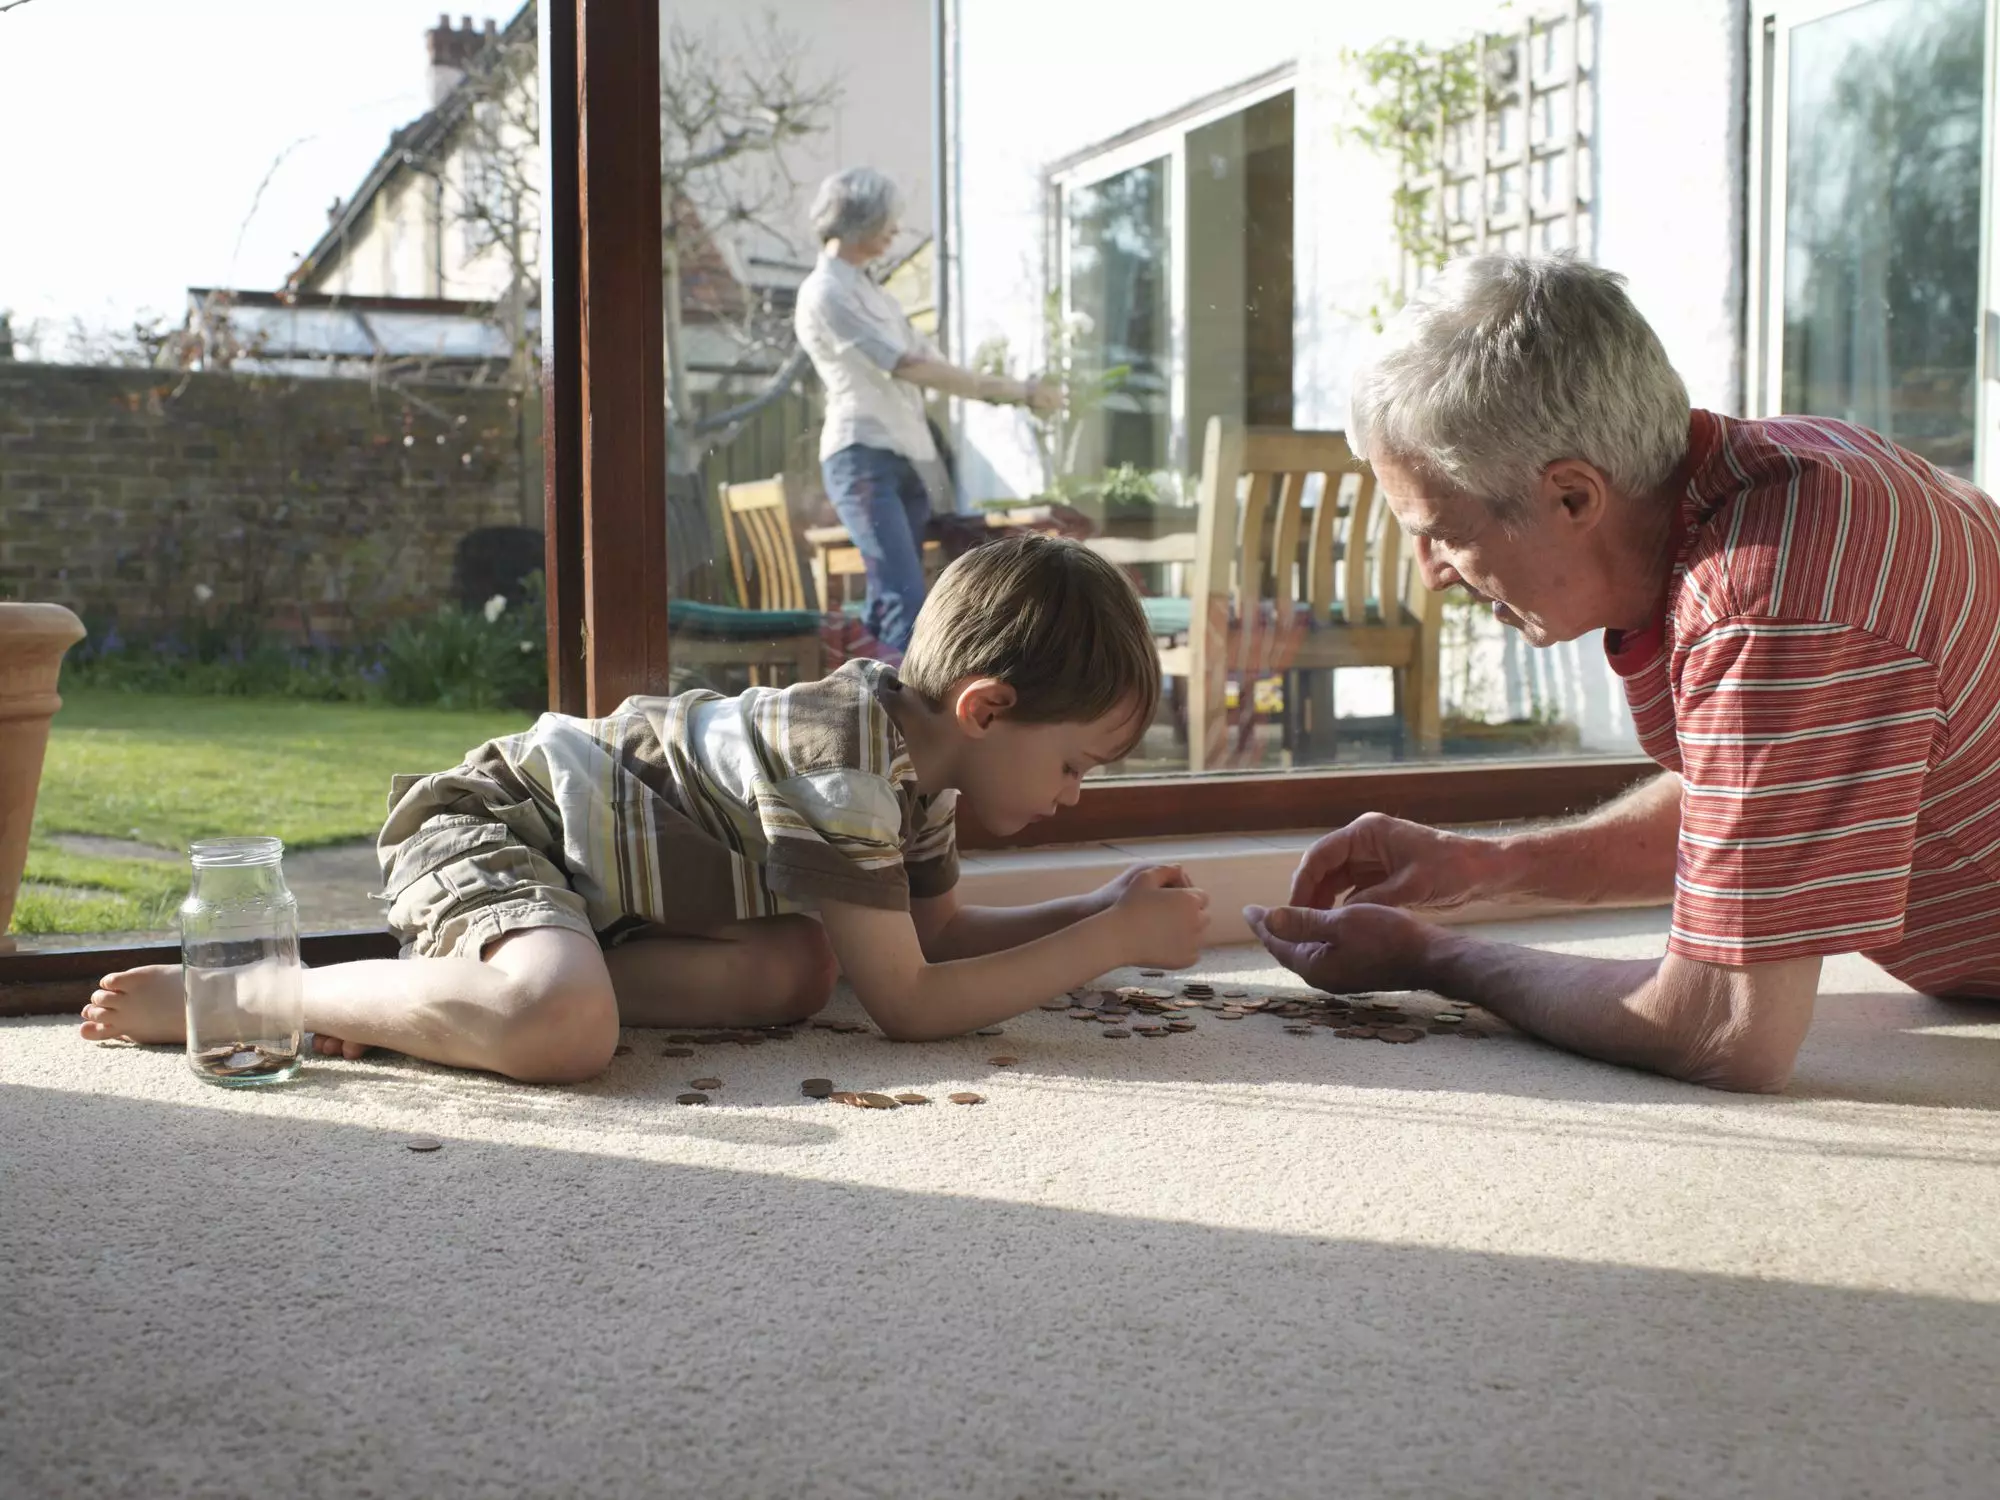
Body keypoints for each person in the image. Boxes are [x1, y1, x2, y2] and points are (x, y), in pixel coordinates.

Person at [1245, 252, 2000, 1093]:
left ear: (1572, 496)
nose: (1432, 573)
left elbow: (1721, 1029)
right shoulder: (1777, 475)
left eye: (1445, 532)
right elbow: (1757, 795)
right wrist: (1487, 866)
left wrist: (1437, 958)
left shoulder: (1776, 604)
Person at [79, 537, 1208, 1081]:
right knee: (562, 1033)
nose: (1074, 795)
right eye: (1075, 765)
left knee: (798, 970)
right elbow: (913, 1005)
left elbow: (938, 941)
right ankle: (254, 994)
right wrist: (1105, 942)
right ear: (987, 706)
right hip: (499, 825)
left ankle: (445, 1001)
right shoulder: (845, 766)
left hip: (604, 893)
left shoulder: (921, 777)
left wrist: (1094, 904)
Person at [795, 166, 1059, 651]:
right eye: (889, 219)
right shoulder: (825, 292)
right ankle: (910, 719)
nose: (896, 229)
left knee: (888, 597)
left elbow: (933, 363)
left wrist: (1013, 389)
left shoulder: (876, 295)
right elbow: (910, 365)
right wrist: (1016, 390)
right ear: (861, 219)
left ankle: (860, 707)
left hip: (906, 456)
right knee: (905, 598)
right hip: (861, 457)